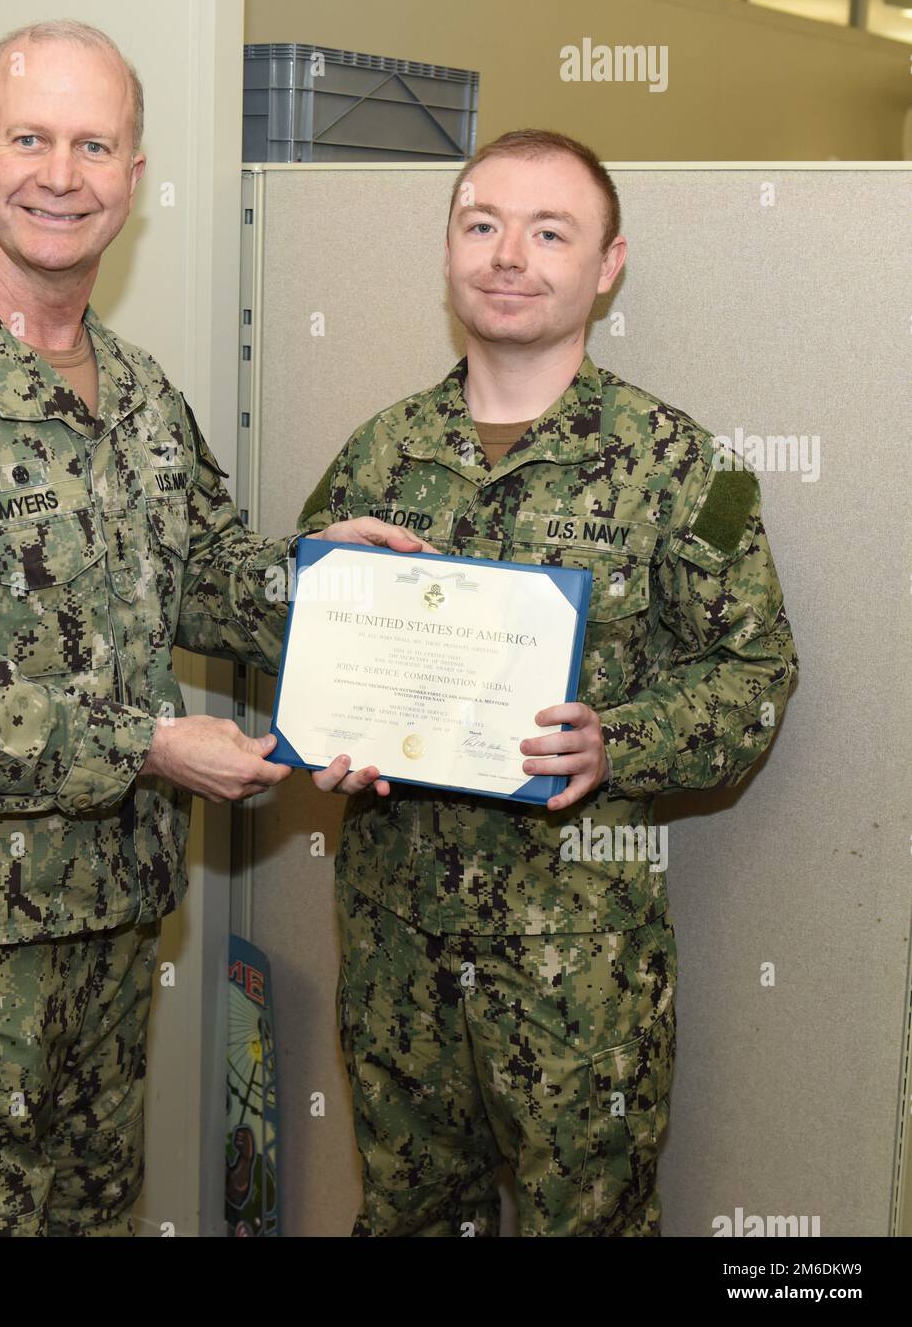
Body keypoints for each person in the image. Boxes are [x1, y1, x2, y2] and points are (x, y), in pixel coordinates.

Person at [0, 19, 425, 1238]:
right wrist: (148, 743)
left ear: (133, 180)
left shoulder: (136, 394)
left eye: (95, 145)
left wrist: (320, 581)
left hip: (111, 927)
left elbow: (201, 574)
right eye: (30, 138)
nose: (60, 174)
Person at [299, 128, 798, 1237]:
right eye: (481, 226)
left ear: (606, 264)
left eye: (547, 231)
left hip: (578, 960)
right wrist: (322, 732)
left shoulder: (684, 469)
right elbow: (313, 654)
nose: (508, 255)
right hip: (395, 945)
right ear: (447, 253)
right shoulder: (375, 457)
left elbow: (755, 675)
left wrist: (621, 741)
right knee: (409, 1215)